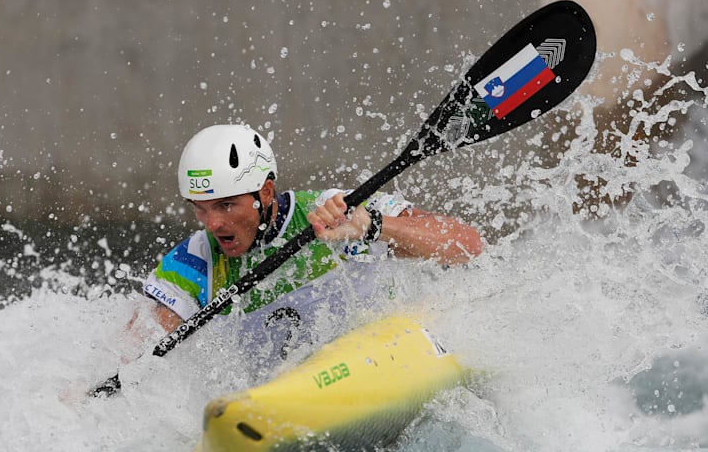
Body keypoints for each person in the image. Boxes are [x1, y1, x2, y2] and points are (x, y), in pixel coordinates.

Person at [131, 123, 483, 369]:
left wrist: (372, 226)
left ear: (265, 192)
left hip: (383, 360)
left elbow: (467, 244)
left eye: (226, 205)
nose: (212, 224)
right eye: (200, 208)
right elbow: (135, 353)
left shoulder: (333, 210)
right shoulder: (192, 263)